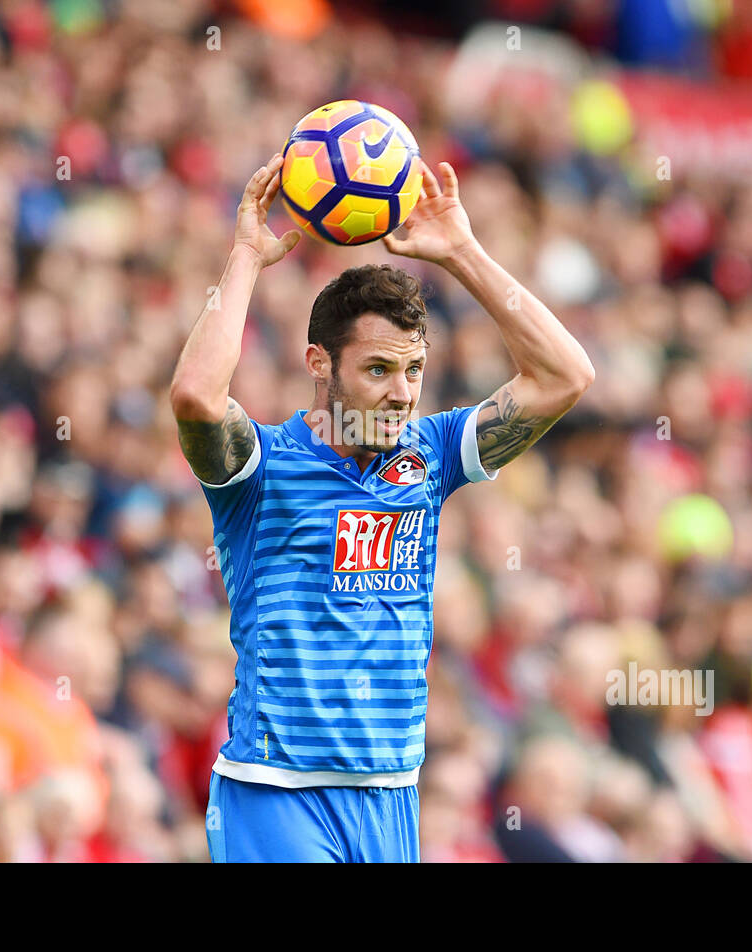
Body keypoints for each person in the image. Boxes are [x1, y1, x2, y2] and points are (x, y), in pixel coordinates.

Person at [170, 152, 595, 862]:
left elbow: (566, 376)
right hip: (277, 792)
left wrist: (462, 251)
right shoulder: (262, 468)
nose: (402, 393)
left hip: (391, 795)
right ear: (318, 364)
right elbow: (195, 399)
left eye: (413, 370)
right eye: (376, 369)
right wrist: (245, 257)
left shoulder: (426, 457)